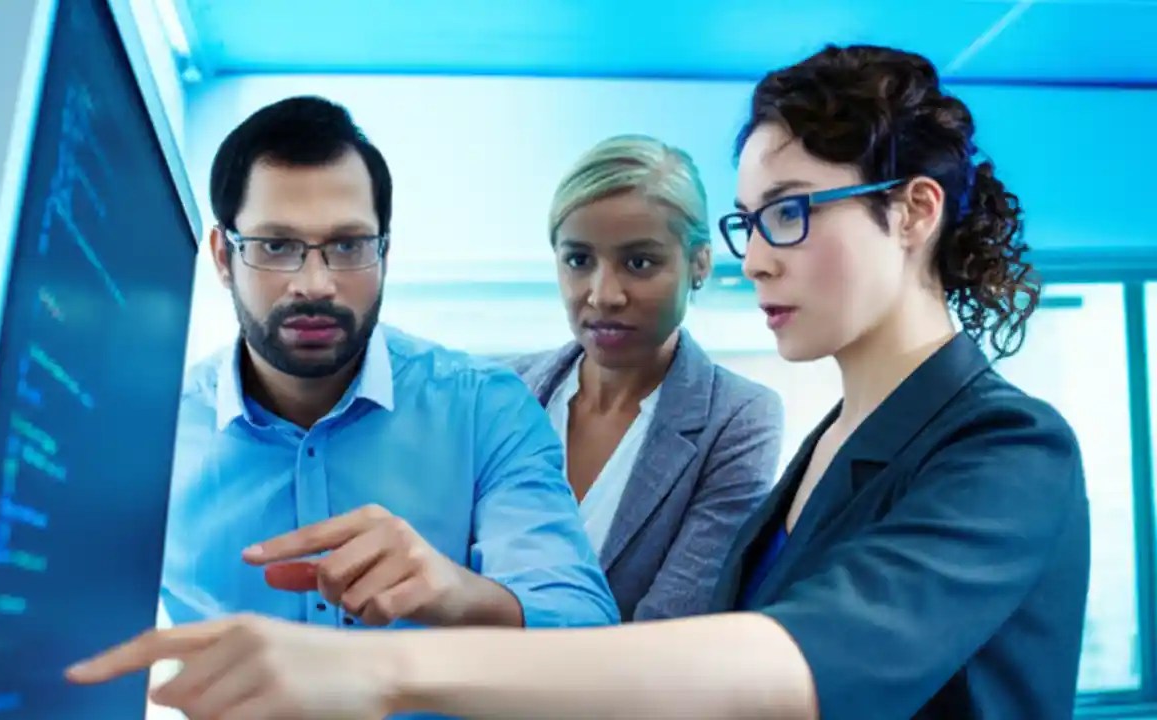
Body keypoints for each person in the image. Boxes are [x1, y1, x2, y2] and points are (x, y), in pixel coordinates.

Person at [68, 46, 1091, 720]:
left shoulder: (1005, 450)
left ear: (911, 213)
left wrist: (377, 665)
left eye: (788, 213)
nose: (754, 258)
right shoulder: (823, 445)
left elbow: (790, 663)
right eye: (748, 224)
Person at [158, 95, 619, 637]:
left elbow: (582, 626)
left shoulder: (484, 409)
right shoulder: (150, 437)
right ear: (222, 257)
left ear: (385, 252)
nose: (314, 284)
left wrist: (452, 590)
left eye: (349, 245)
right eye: (276, 245)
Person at [508, 134, 783, 621]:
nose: (603, 295)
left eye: (639, 263)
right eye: (578, 260)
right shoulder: (504, 392)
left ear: (698, 264)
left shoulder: (737, 419)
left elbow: (669, 629)